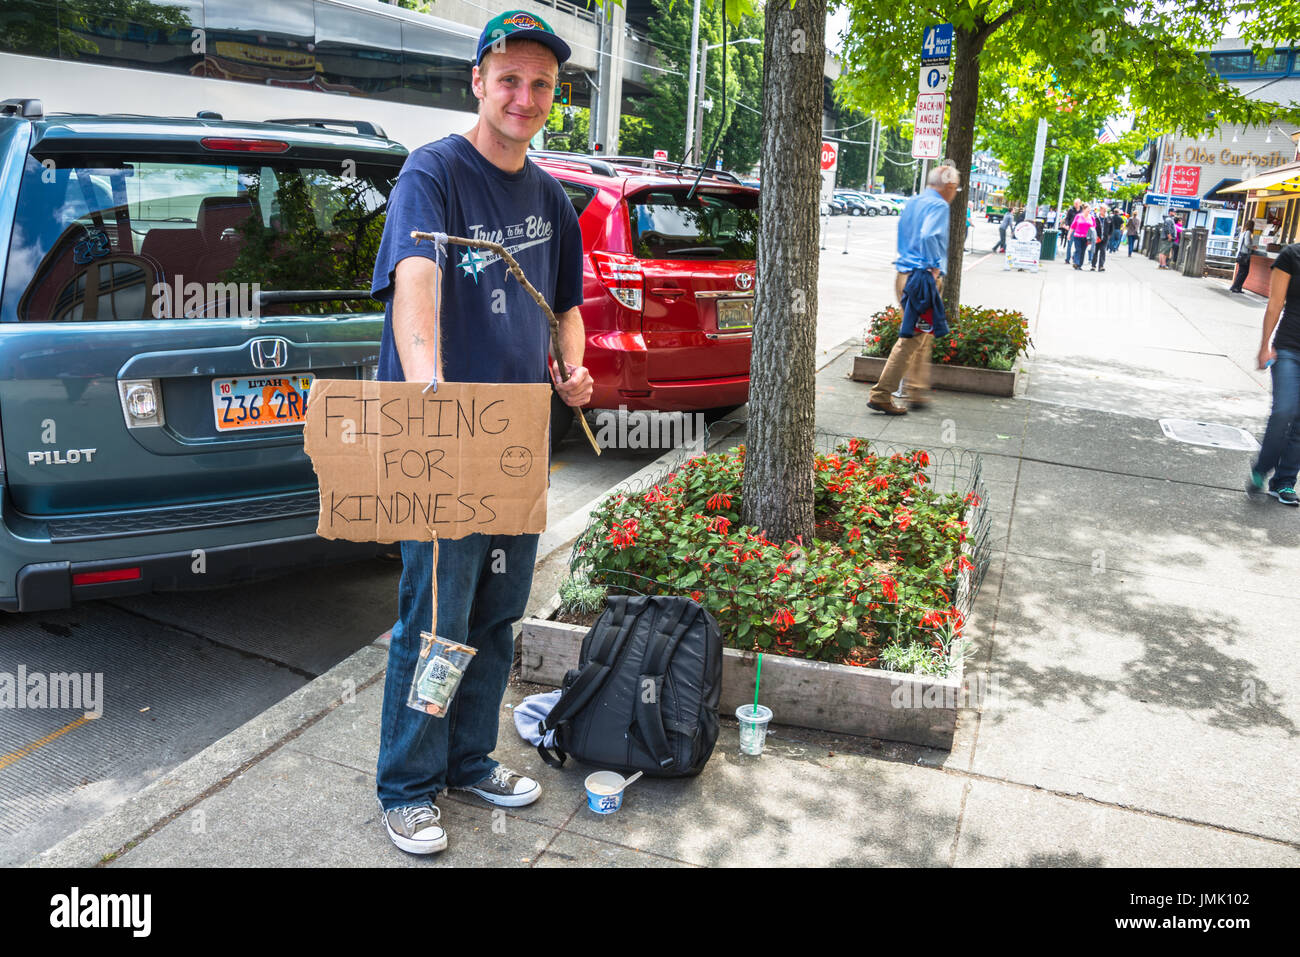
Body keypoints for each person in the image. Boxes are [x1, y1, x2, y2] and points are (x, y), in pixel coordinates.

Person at [369, 9, 594, 855]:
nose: (525, 97)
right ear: (478, 81)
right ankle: (408, 784)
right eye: (510, 79)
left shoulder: (552, 199)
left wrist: (571, 367)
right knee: (436, 619)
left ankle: (468, 759)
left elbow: (565, 306)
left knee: (498, 613)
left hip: (515, 437)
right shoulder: (433, 174)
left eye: (540, 84)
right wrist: (426, 388)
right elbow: (414, 286)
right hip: (441, 435)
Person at [867, 162, 959, 415]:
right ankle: (881, 393)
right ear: (949, 186)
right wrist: (933, 268)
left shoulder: (914, 202)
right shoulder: (939, 205)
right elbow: (930, 236)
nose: (954, 193)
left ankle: (916, 390)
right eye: (955, 188)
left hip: (903, 275)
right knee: (912, 338)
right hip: (922, 279)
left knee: (922, 334)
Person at [1247, 242, 1300, 506]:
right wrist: (1264, 345)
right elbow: (1276, 303)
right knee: (1284, 411)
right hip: (1289, 348)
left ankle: (1285, 482)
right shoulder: (1292, 254)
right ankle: (1262, 468)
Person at [1230, 220, 1259, 293]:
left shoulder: (1243, 232)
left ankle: (1236, 287)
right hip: (1244, 255)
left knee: (1241, 272)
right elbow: (1247, 244)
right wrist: (1253, 247)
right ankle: (1236, 287)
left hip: (1240, 254)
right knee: (1244, 272)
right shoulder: (1248, 232)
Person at [1070, 203, 1095, 270]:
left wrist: (1093, 238)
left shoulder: (1091, 217)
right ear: (1084, 209)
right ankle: (1076, 263)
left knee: (1083, 250)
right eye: (1087, 210)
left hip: (1087, 237)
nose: (1088, 212)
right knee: (1078, 249)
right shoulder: (1078, 216)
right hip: (1077, 236)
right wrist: (1069, 234)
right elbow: (1073, 226)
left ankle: (1079, 265)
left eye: (1089, 211)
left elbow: (1093, 227)